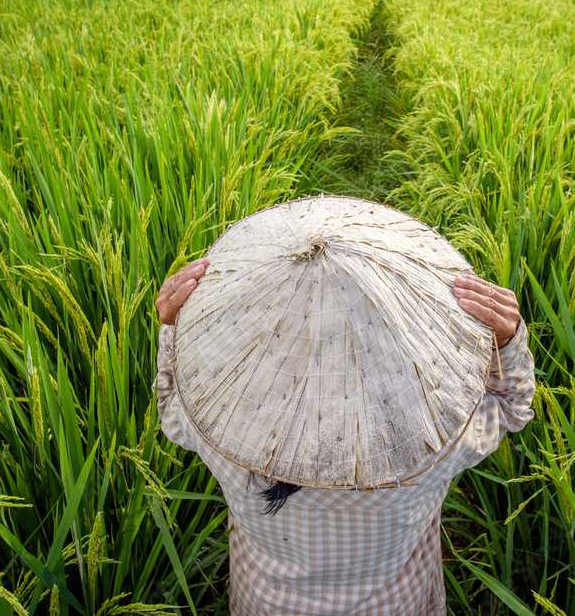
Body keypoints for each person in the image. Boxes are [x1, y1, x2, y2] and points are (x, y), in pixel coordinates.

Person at [151, 256, 536, 615]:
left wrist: (173, 326)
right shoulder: (436, 446)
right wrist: (508, 341)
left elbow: (171, 396)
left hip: (265, 602)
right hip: (396, 604)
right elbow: (511, 406)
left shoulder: (217, 432)